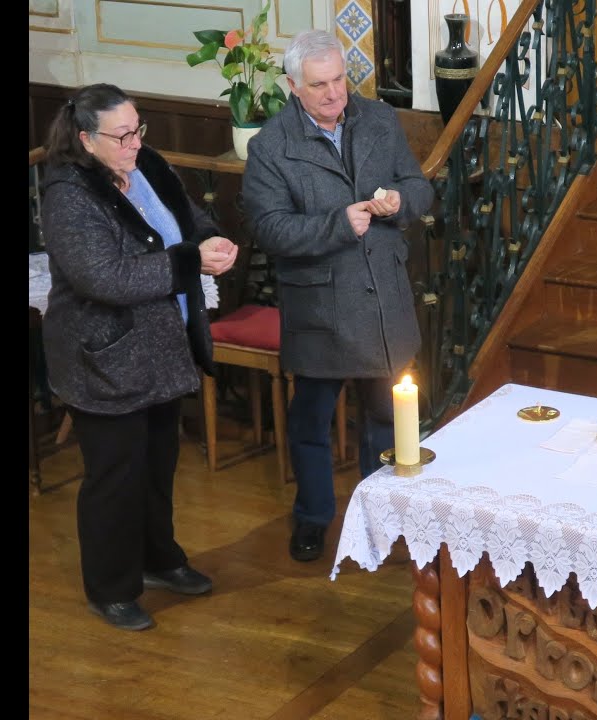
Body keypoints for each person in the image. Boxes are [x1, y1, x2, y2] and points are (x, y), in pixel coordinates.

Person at [40, 83, 240, 630]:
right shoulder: (69, 196)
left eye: (138, 129)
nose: (135, 142)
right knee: (115, 477)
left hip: (160, 348)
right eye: (122, 135)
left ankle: (159, 560)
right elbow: (105, 278)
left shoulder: (143, 163)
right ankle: (110, 587)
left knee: (156, 466)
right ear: (86, 139)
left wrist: (211, 239)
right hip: (103, 357)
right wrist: (189, 262)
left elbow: (186, 218)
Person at [242, 30, 434, 562]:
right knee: (312, 423)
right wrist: (336, 225)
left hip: (383, 299)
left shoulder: (379, 119)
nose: (334, 94)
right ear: (293, 86)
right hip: (320, 309)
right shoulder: (270, 146)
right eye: (319, 85)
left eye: (339, 79)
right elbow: (269, 229)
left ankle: (382, 519)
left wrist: (400, 201)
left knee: (385, 419)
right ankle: (313, 518)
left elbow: (420, 186)